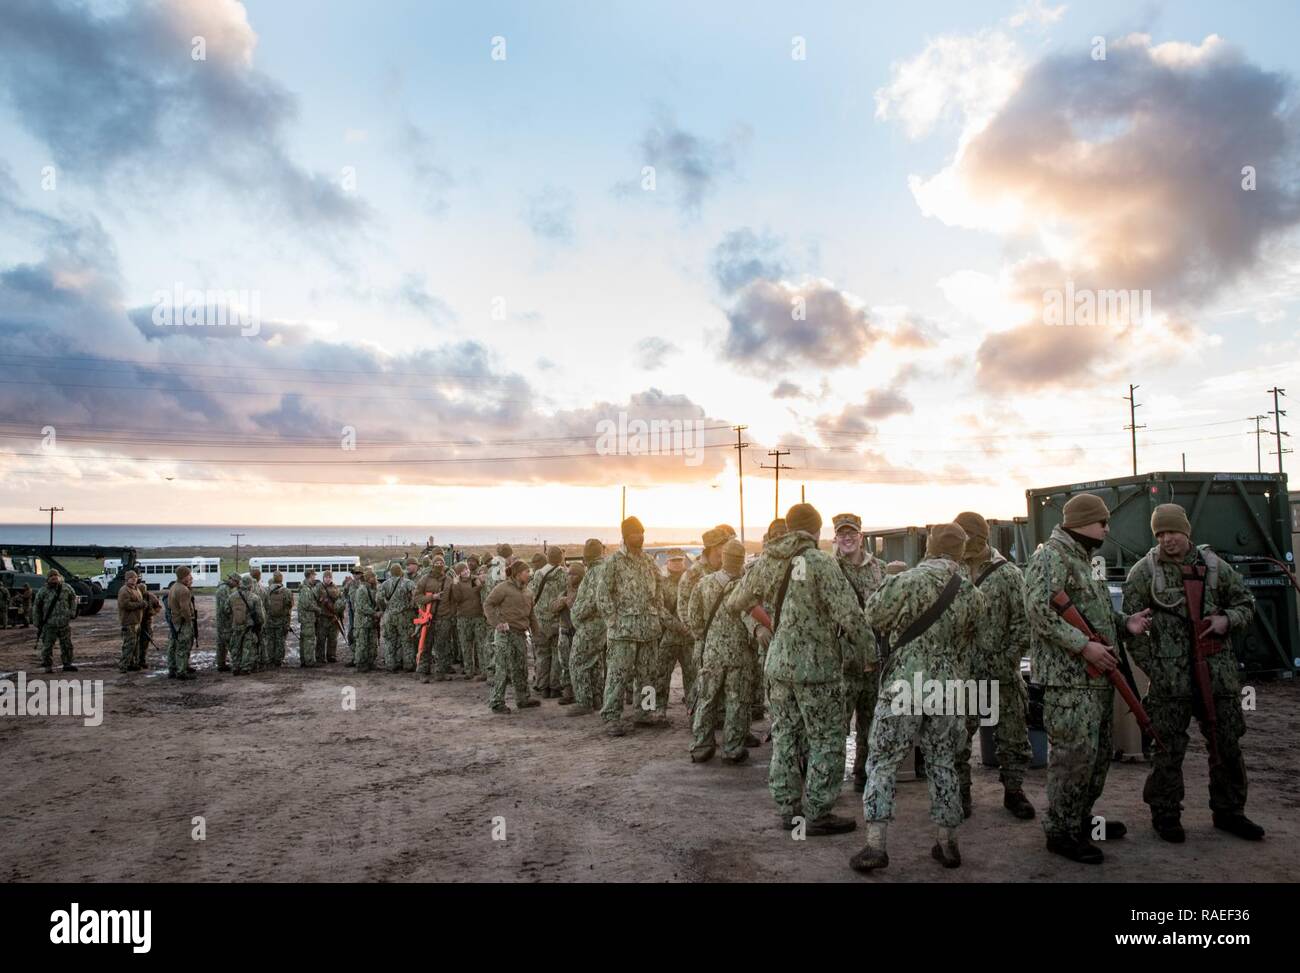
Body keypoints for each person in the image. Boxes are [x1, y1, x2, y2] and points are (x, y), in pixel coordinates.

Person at [726, 503, 875, 836]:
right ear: (816, 531)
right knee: (826, 738)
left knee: (786, 736)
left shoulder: (766, 562)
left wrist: (766, 624)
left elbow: (736, 601)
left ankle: (788, 808)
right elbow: (849, 615)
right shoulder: (821, 563)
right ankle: (819, 811)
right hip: (817, 669)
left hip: (779, 665)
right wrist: (869, 654)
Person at [1122, 503, 1263, 843]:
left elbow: (1246, 603)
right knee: (1167, 748)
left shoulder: (1215, 567)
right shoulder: (1144, 573)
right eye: (1160, 533)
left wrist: (1226, 619)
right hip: (1170, 682)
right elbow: (1129, 629)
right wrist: (1155, 667)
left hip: (1218, 676)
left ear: (1187, 532)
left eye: (1173, 531)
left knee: (1226, 743)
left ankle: (1230, 812)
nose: (1167, 539)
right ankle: (1166, 814)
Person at [1023, 493, 1152, 864]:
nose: (1107, 529)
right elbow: (1039, 610)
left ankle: (1080, 820)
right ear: (1081, 522)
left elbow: (1095, 613)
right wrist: (1083, 647)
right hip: (1069, 680)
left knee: (1095, 757)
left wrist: (1125, 623)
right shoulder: (1051, 557)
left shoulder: (1087, 561)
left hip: (1096, 676)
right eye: (1102, 522)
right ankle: (1061, 831)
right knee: (1072, 757)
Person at [850, 524, 984, 872]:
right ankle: (948, 844)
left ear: (929, 547)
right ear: (960, 553)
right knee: (943, 763)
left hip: (904, 684)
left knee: (883, 761)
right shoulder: (972, 593)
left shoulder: (906, 581)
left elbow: (874, 615)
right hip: (948, 689)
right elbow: (973, 639)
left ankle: (875, 846)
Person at [953, 510, 1035, 821]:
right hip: (964, 674)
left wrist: (1007, 660)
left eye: (970, 541)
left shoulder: (1008, 574)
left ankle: (1014, 792)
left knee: (1012, 737)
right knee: (959, 738)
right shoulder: (952, 571)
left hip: (1002, 671)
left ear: (983, 539)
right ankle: (962, 793)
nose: (966, 547)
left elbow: (1023, 624)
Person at [597, 516, 671, 735]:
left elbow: (658, 588)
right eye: (634, 533)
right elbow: (602, 594)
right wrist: (613, 621)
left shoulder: (648, 561)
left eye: (641, 532)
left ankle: (645, 712)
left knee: (648, 675)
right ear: (625, 536)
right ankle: (611, 717)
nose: (639, 537)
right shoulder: (614, 562)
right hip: (623, 633)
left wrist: (657, 611)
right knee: (618, 675)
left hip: (648, 630)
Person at [831, 513, 887, 792]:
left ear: (861, 536)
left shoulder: (879, 568)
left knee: (870, 721)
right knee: (837, 724)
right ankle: (831, 780)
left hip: (873, 659)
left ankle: (863, 774)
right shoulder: (830, 569)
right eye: (842, 533)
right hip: (843, 660)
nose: (847, 538)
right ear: (835, 538)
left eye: (851, 532)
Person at [687, 539, 755, 763]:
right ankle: (733, 748)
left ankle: (701, 746)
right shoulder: (746, 586)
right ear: (741, 560)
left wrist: (706, 637)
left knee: (707, 699)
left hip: (712, 653)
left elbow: (694, 618)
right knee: (737, 701)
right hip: (739, 653)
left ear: (724, 558)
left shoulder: (704, 584)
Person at [484, 560, 542, 713]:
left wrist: (537, 633)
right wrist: (496, 623)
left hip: (520, 635)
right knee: (503, 669)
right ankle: (497, 702)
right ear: (517, 574)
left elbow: (532, 615)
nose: (529, 575)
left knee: (521, 668)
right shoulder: (503, 588)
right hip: (505, 635)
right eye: (526, 572)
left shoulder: (528, 592)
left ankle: (523, 698)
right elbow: (488, 604)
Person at [568, 539, 608, 716]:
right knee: (594, 662)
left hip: (592, 624)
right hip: (598, 624)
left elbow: (593, 600)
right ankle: (596, 698)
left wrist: (577, 613)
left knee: (577, 661)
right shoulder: (601, 569)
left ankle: (584, 701)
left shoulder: (596, 572)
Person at [657, 548, 697, 719]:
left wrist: (690, 627)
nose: (677, 563)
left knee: (693, 677)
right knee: (658, 676)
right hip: (670, 638)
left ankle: (694, 712)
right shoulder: (662, 584)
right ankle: (653, 711)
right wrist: (679, 626)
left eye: (679, 560)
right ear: (667, 563)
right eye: (673, 560)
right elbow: (661, 610)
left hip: (689, 639)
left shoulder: (692, 582)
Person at [528, 547, 569, 698]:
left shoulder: (538, 574)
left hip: (539, 621)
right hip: (557, 620)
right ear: (561, 558)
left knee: (541, 654)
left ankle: (543, 687)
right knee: (556, 654)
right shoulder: (564, 574)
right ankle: (555, 687)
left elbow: (531, 594)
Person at [34, 571, 79, 674]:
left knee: (67, 645)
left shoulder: (66, 588)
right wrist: (37, 621)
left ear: (59, 577)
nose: (54, 578)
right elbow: (37, 607)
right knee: (47, 646)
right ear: (48, 578)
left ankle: (67, 664)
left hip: (64, 623)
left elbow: (73, 599)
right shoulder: (43, 591)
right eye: (51, 576)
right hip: (49, 624)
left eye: (56, 576)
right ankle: (48, 665)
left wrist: (72, 612)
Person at [452, 562, 489, 680]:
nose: (466, 571)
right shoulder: (456, 584)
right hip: (463, 618)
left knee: (481, 644)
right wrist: (456, 585)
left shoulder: (474, 579)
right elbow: (457, 598)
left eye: (467, 569)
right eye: (462, 571)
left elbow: (478, 590)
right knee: (466, 645)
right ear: (458, 574)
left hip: (478, 616)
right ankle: (469, 671)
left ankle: (484, 671)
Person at [377, 563, 415, 673]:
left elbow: (379, 598)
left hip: (389, 616)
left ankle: (390, 665)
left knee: (390, 641)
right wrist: (411, 605)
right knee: (407, 640)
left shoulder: (384, 584)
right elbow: (415, 594)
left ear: (391, 573)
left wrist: (384, 608)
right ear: (401, 572)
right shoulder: (407, 582)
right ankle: (408, 665)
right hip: (403, 616)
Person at [167, 565, 197, 680]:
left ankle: (173, 668)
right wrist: (189, 621)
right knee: (183, 646)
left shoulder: (174, 587)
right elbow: (185, 609)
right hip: (182, 622)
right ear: (184, 576)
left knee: (174, 645)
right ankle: (181, 671)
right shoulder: (183, 590)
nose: (191, 577)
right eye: (189, 575)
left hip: (175, 621)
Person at [116, 570, 147, 673]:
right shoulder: (124, 590)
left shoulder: (137, 589)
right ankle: (123, 665)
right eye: (132, 578)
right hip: (128, 622)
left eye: (135, 578)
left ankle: (132, 663)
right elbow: (125, 605)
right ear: (127, 579)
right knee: (129, 645)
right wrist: (140, 604)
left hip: (137, 621)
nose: (134, 579)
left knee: (135, 645)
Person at [351, 569, 380, 671]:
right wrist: (375, 613)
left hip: (370, 622)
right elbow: (361, 607)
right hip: (362, 623)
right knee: (362, 644)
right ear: (369, 579)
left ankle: (370, 662)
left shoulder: (373, 589)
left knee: (372, 644)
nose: (375, 579)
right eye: (373, 577)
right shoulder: (362, 590)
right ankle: (361, 664)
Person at [265, 572, 293, 667]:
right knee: (280, 640)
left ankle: (270, 659)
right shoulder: (287, 591)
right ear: (282, 579)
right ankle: (278, 660)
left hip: (269, 620)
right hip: (282, 620)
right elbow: (290, 605)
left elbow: (264, 605)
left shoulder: (266, 591)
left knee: (270, 640)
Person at [296, 568, 322, 668]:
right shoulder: (306, 589)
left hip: (306, 619)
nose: (315, 577)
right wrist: (317, 609)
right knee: (309, 640)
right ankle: (309, 661)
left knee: (304, 639)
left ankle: (304, 660)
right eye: (314, 575)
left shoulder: (307, 588)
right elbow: (306, 604)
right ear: (310, 576)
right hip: (307, 619)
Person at [215, 573, 238, 672]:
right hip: (225, 621)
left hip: (221, 620)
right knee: (230, 642)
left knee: (221, 643)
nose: (236, 585)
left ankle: (221, 663)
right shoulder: (225, 590)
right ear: (232, 580)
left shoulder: (222, 588)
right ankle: (236, 663)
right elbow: (226, 607)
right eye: (236, 583)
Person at [137, 583, 162, 670]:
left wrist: (153, 612)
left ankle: (142, 660)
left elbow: (158, 607)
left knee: (145, 641)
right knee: (135, 642)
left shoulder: (151, 596)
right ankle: (135, 660)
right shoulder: (135, 596)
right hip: (137, 621)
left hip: (147, 621)